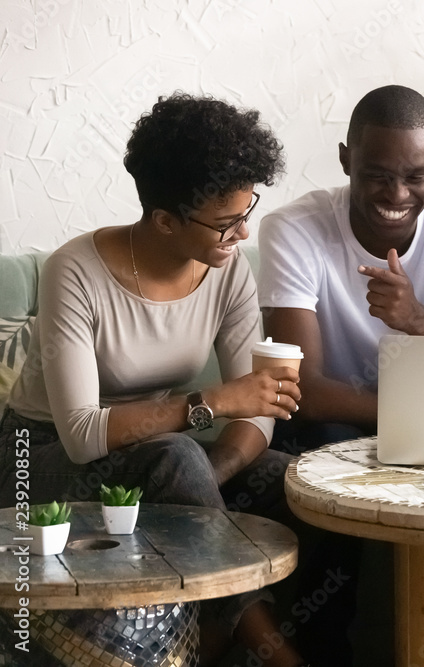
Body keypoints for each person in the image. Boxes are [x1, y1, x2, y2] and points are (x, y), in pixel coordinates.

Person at [0, 93, 310, 667]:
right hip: (35, 457)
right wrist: (212, 403)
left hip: (157, 456)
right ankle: (278, 655)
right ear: (165, 220)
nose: (243, 233)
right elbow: (81, 435)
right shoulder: (75, 271)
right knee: (176, 456)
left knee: (293, 482)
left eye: (247, 212)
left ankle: (222, 647)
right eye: (226, 223)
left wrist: (210, 474)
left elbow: (256, 409)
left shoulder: (227, 271)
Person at [258, 84, 424, 452]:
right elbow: (303, 391)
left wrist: (416, 319)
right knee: (326, 437)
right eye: (378, 176)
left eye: (416, 177)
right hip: (330, 425)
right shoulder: (294, 229)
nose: (397, 195)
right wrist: (419, 417)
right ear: (346, 160)